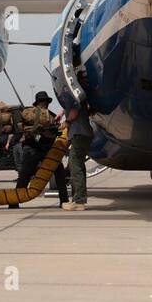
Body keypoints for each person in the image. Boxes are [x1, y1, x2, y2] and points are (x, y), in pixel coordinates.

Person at [13, 92, 68, 204]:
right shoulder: (33, 115)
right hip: (34, 148)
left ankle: (64, 200)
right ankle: (14, 201)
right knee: (25, 176)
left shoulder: (39, 115)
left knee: (59, 174)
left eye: (46, 102)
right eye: (44, 101)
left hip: (42, 148)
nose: (46, 104)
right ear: (38, 103)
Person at [56, 82, 92, 211]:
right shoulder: (78, 95)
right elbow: (74, 107)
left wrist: (67, 122)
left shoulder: (72, 96)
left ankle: (78, 201)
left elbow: (75, 110)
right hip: (83, 134)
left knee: (75, 167)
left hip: (79, 134)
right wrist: (61, 114)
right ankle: (78, 199)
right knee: (78, 167)